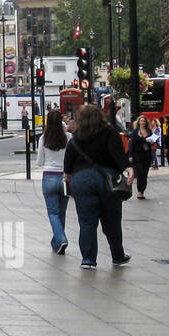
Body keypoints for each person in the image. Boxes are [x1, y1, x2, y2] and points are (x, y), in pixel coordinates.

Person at [62, 104, 134, 270]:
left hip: (82, 179)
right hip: (107, 179)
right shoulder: (110, 132)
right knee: (112, 220)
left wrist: (67, 175)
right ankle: (117, 255)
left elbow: (68, 161)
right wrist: (129, 169)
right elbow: (118, 154)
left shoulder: (76, 136)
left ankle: (88, 259)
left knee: (87, 221)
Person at [36, 110, 70, 254]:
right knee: (61, 212)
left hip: (49, 176)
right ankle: (57, 243)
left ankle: (60, 239)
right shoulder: (68, 137)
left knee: (53, 213)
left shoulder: (44, 138)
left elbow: (39, 162)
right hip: (65, 177)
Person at [128, 116, 154, 200]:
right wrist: (130, 156)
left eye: (144, 121)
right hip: (137, 156)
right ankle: (139, 191)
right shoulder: (135, 132)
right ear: (138, 122)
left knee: (145, 175)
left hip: (147, 156)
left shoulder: (149, 132)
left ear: (146, 123)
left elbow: (151, 144)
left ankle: (142, 192)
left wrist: (152, 141)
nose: (142, 123)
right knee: (140, 173)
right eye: (141, 121)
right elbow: (131, 145)